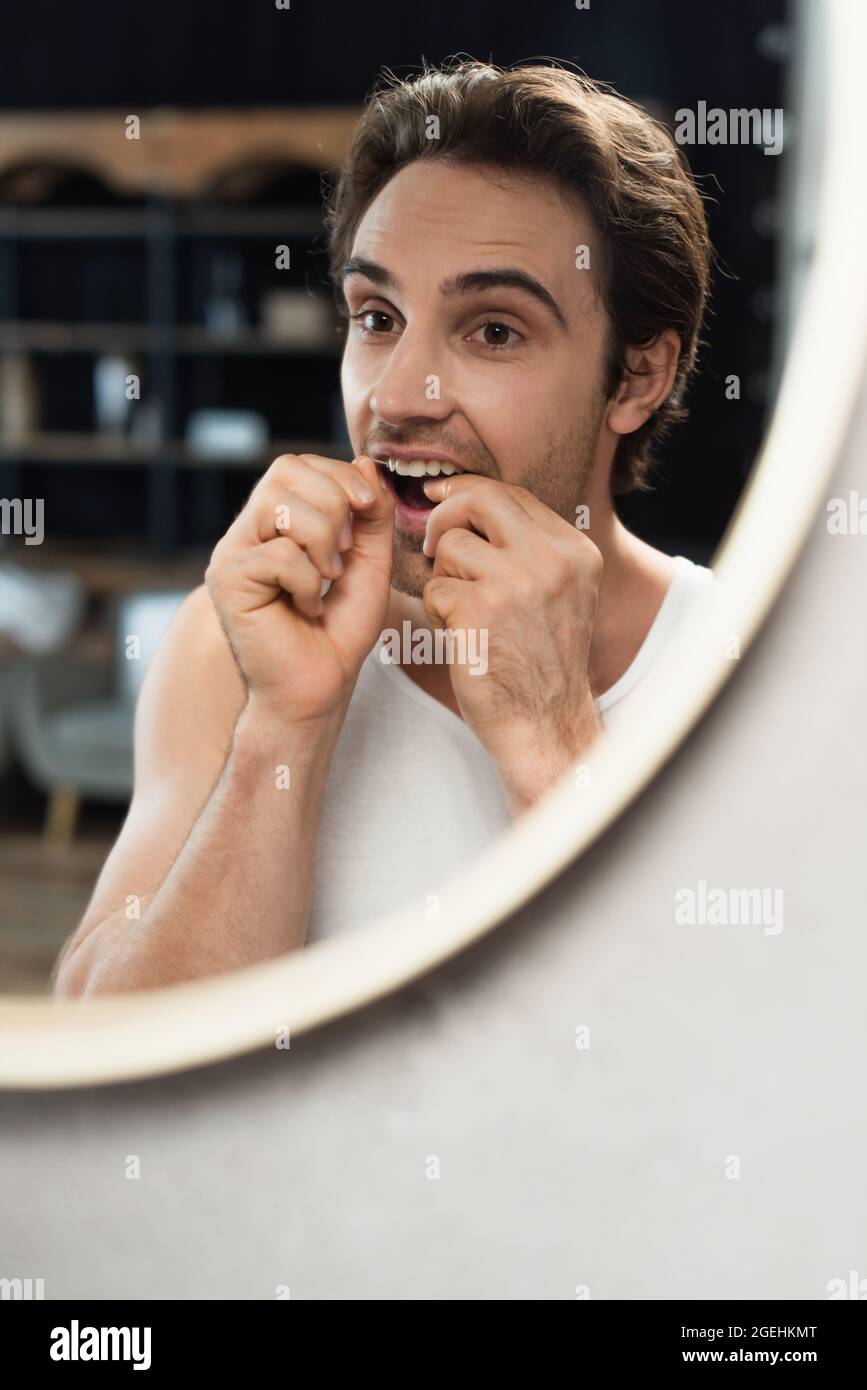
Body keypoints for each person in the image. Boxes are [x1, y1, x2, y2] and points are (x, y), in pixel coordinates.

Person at [54, 59, 716, 996]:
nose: (397, 397)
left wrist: (550, 744)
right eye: (376, 316)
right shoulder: (233, 646)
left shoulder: (755, 671)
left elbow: (744, 1085)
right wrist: (286, 728)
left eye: (493, 330)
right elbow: (111, 1060)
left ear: (636, 377)